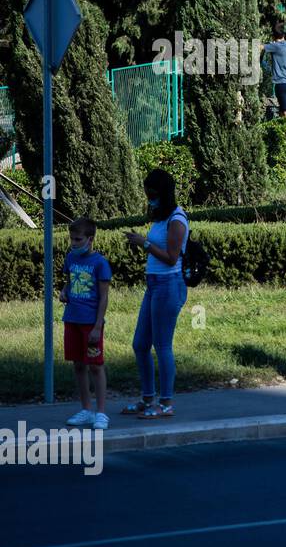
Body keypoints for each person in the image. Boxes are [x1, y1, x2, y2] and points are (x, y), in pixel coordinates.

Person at [122, 169, 190, 418]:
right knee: (140, 344)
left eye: (152, 193)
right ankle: (147, 398)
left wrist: (144, 243)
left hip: (168, 285)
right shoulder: (161, 217)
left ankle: (166, 403)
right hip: (153, 285)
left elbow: (172, 259)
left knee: (162, 345)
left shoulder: (177, 219)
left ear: (162, 192)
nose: (149, 197)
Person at [61, 217, 111, 431]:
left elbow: (104, 297)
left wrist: (97, 326)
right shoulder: (71, 258)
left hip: (90, 323)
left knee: (95, 366)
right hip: (72, 319)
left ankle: (100, 413)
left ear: (90, 239)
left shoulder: (100, 263)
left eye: (78, 239)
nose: (73, 243)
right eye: (71, 239)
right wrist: (64, 291)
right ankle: (86, 409)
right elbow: (70, 281)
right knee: (78, 365)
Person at [262, 22, 286, 117]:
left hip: (282, 84)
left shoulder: (275, 46)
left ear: (273, 36)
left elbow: (259, 47)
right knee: (282, 112)